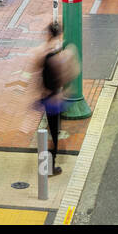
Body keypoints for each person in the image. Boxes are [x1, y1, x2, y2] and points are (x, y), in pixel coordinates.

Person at [39, 22, 73, 176]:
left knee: (52, 129)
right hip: (55, 98)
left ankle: (49, 159)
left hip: (47, 96)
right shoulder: (59, 53)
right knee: (54, 132)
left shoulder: (45, 50)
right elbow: (66, 73)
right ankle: (50, 166)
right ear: (59, 34)